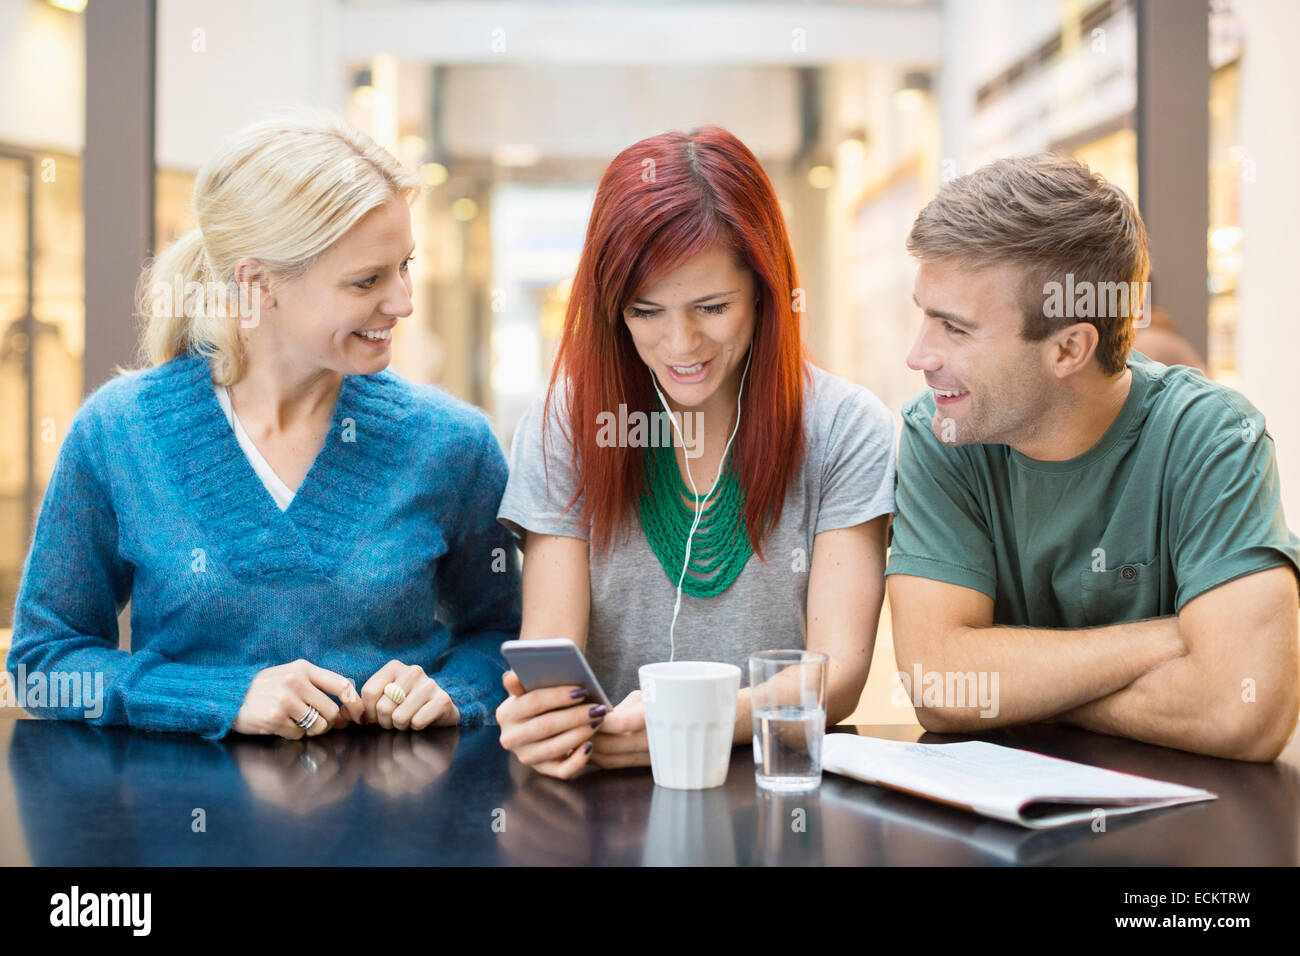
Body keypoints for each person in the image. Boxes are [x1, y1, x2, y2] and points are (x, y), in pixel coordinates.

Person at [5, 111, 521, 741]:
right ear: (257, 283)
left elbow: (505, 638)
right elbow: (43, 667)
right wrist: (220, 697)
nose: (404, 302)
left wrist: (452, 691)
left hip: (393, 829)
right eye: (367, 280)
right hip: (180, 827)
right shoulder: (118, 435)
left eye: (404, 265)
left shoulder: (452, 445)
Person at [495, 126, 895, 779]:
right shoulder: (565, 421)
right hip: (604, 791)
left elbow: (839, 674)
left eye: (712, 307)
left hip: (775, 787)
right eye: (646, 311)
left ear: (766, 292)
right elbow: (552, 652)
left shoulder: (846, 427)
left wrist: (695, 723)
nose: (681, 344)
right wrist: (543, 721)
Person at [886, 152, 1300, 761]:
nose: (919, 355)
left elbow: (1243, 709)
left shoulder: (1214, 437)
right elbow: (940, 684)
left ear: (1069, 348)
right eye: (925, 316)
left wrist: (1022, 689)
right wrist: (1173, 641)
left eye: (955, 328)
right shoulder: (944, 432)